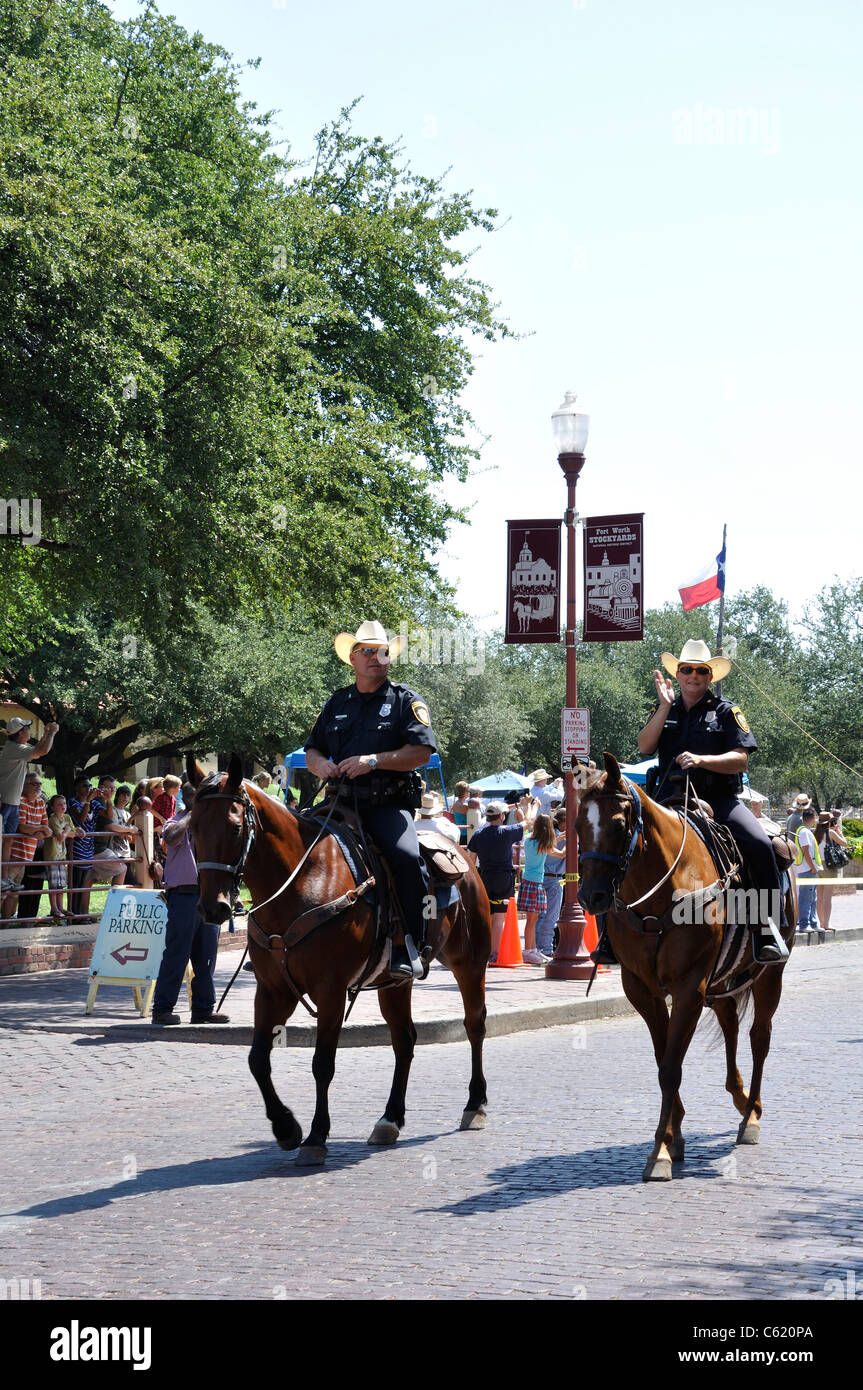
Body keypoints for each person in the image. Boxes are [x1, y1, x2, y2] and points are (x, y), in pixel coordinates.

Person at [620, 638, 787, 965]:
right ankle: (612, 936)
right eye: (687, 670)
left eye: (700, 671)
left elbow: (740, 760)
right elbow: (644, 746)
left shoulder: (727, 712)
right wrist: (665, 706)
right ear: (678, 675)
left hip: (719, 800)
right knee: (618, 847)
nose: (693, 675)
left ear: (710, 676)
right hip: (668, 800)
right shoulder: (664, 709)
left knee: (759, 844)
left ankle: (768, 928)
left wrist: (701, 760)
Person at [304, 619, 435, 981]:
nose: (376, 658)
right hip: (338, 803)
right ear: (353, 658)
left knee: (408, 859)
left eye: (383, 652)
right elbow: (312, 750)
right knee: (294, 845)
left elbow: (421, 753)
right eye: (368, 652)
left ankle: (411, 945)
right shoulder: (337, 702)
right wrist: (322, 767)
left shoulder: (405, 701)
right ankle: (281, 937)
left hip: (386, 806)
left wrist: (373, 761)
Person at [150, 782, 229, 1025]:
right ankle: (163, 1009)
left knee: (206, 957)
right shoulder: (175, 821)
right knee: (177, 953)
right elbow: (171, 838)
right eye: (194, 796)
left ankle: (203, 1008)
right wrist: (193, 815)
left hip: (208, 895)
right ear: (185, 798)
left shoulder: (210, 824)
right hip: (183, 896)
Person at [469, 801, 525, 963]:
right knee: (499, 918)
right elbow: (528, 823)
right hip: (504, 878)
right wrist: (525, 808)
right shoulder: (507, 832)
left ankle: (482, 950)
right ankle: (494, 953)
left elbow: (471, 861)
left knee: (485, 915)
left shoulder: (478, 835)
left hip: (484, 877)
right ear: (501, 816)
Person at [0, 771, 50, 920]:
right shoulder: (20, 801)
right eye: (35, 784)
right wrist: (39, 829)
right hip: (12, 856)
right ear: (25, 786)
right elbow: (22, 827)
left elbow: (47, 829)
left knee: (13, 895)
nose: (38, 787)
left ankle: (6, 928)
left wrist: (38, 829)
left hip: (26, 857)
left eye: (40, 784)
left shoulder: (41, 802)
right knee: (2, 893)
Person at [518, 813, 566, 964]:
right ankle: (528, 951)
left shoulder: (530, 840)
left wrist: (560, 838)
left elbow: (548, 845)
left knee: (533, 919)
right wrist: (571, 840)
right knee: (531, 920)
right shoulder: (543, 845)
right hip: (534, 883)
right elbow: (561, 854)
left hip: (529, 882)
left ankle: (532, 950)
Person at [0, 716, 59, 835]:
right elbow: (43, 751)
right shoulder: (14, 748)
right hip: (5, 802)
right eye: (27, 727)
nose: (29, 730)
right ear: (21, 732)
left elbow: (37, 749)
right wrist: (52, 733)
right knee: (2, 840)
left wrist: (45, 734)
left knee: (8, 840)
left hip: (12, 802)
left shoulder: (15, 748)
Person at [536, 806, 567, 958]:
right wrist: (574, 839)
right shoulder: (563, 838)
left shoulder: (549, 836)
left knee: (540, 916)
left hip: (542, 878)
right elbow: (563, 855)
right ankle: (546, 949)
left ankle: (536, 947)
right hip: (554, 879)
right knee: (551, 916)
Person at [817, 811, 849, 933]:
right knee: (827, 897)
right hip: (829, 866)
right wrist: (839, 831)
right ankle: (826, 924)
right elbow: (844, 843)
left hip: (819, 865)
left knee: (819, 896)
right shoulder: (830, 832)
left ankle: (821, 923)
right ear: (829, 822)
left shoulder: (816, 832)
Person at [793, 806, 822, 930]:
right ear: (813, 818)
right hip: (807, 869)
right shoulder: (805, 832)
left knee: (812, 897)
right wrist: (813, 867)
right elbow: (806, 851)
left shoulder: (804, 830)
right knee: (806, 897)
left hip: (808, 868)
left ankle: (813, 923)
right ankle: (805, 924)